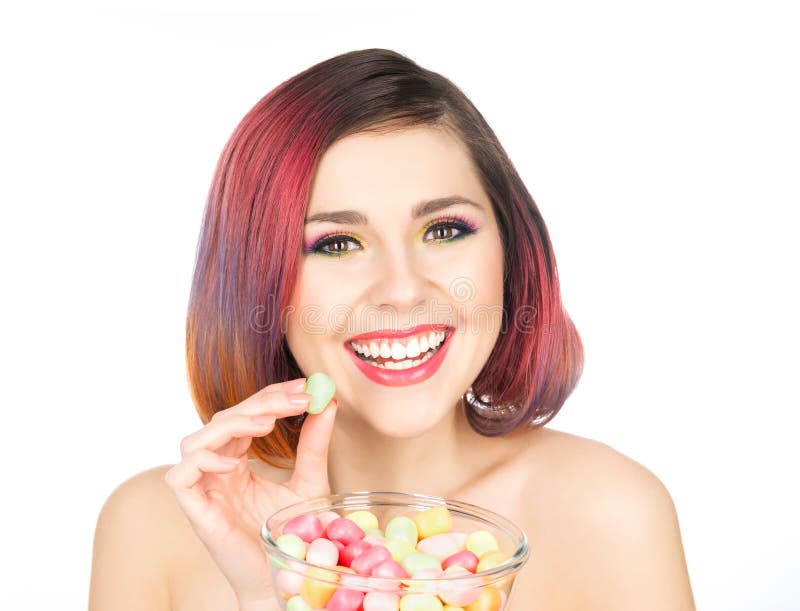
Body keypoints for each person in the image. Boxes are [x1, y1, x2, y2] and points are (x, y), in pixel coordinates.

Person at [89, 48, 695, 610]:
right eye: (337, 243)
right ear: (260, 279)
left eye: (444, 231)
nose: (402, 290)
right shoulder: (155, 529)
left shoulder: (611, 514)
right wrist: (281, 593)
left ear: (512, 252)